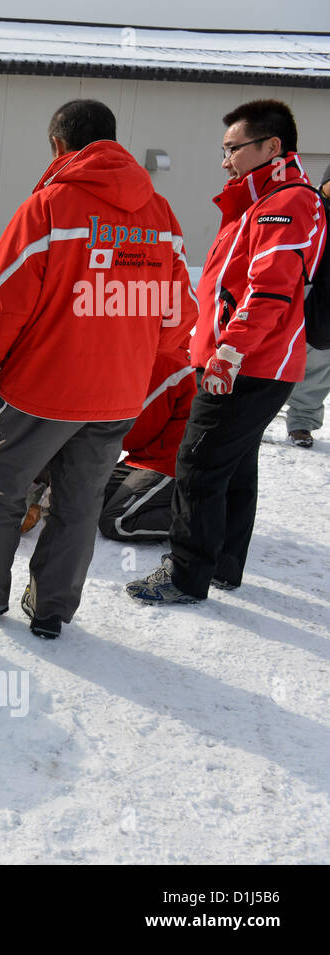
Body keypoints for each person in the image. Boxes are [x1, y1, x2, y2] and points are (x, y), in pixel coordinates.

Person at [0, 99, 195, 638]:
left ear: (58, 144)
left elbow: (1, 301)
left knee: (1, 488)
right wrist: (129, 349)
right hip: (119, 395)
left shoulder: (51, 207)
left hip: (44, 391)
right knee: (78, 502)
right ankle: (51, 609)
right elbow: (178, 319)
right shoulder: (160, 215)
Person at [127, 100, 327, 604]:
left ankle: (185, 575)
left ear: (272, 147)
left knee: (197, 466)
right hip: (249, 361)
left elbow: (270, 291)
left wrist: (228, 355)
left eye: (233, 149)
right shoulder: (260, 200)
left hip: (248, 364)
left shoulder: (288, 201)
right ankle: (220, 566)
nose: (225, 160)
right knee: (234, 467)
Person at [98, 345, 195, 542]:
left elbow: (134, 432)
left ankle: (201, 519)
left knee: (116, 522)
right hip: (147, 457)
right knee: (91, 496)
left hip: (170, 464)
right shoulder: (168, 347)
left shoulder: (164, 360)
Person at [284, 163, 330, 448]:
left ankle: (301, 423)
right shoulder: (309, 207)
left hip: (327, 306)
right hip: (300, 295)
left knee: (318, 369)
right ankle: (248, 420)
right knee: (274, 363)